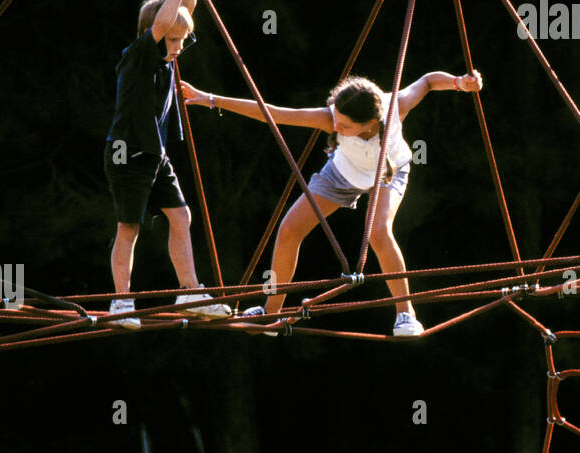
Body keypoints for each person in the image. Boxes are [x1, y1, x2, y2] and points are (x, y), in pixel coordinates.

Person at [180, 70, 483, 336]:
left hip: (387, 173)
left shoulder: (394, 108)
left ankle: (406, 314)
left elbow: (428, 81)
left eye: (344, 126)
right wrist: (210, 98)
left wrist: (459, 83)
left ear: (369, 124)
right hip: (341, 174)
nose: (336, 128)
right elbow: (271, 112)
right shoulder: (331, 117)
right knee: (288, 230)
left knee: (378, 233)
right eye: (335, 120)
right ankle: (271, 311)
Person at [103, 0, 231, 327]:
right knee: (129, 226)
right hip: (127, 152)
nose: (179, 46)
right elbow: (165, 22)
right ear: (155, 35)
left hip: (154, 153)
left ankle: (190, 292)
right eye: (173, 40)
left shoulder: (168, 52)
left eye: (180, 40)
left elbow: (183, 15)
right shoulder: (140, 55)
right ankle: (121, 303)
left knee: (181, 217)